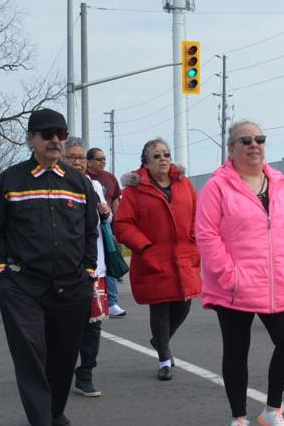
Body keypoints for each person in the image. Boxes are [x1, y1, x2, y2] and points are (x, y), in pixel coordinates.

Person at [0, 108, 99, 426]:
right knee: (31, 352)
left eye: (60, 134)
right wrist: (1, 271)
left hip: (72, 286)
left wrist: (89, 271)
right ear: (31, 138)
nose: (55, 140)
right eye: (46, 133)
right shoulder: (11, 180)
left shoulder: (78, 183)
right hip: (22, 286)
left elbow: (91, 230)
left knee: (64, 356)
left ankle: (54, 408)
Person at [196, 120, 284, 426]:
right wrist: (229, 276)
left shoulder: (282, 185)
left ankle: (273, 410)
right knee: (236, 350)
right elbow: (206, 235)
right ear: (232, 149)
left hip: (281, 283)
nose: (253, 145)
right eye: (245, 140)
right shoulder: (217, 187)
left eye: (259, 139)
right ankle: (239, 419)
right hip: (234, 287)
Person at [115, 138, 201, 381]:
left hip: (184, 255)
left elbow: (197, 214)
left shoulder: (184, 185)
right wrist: (145, 246)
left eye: (166, 154)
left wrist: (194, 239)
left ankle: (160, 340)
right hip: (154, 256)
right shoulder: (134, 189)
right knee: (160, 307)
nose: (163, 159)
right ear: (145, 162)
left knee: (183, 306)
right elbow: (123, 224)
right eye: (157, 156)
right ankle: (164, 357)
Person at [64, 137, 111, 398]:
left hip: (94, 267)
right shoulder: (54, 185)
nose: (78, 162)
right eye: (72, 157)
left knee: (93, 324)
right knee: (65, 325)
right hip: (62, 268)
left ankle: (86, 373)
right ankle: (59, 371)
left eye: (81, 158)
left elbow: (106, 221)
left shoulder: (94, 185)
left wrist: (105, 212)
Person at [87, 147, 126, 317]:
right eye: (98, 159)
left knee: (110, 261)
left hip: (106, 225)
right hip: (90, 228)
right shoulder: (86, 180)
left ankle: (112, 302)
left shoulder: (109, 178)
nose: (103, 161)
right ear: (89, 161)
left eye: (104, 158)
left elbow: (115, 202)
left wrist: (116, 226)